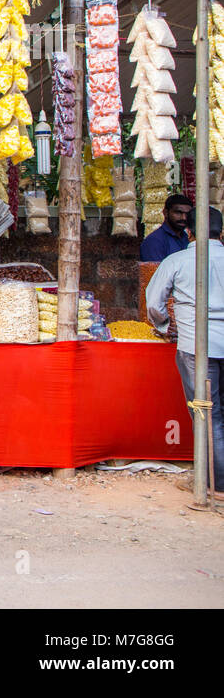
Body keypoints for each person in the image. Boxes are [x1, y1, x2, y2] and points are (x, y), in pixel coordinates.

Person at [146, 206, 224, 496]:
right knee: (220, 413)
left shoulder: (177, 260)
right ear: (221, 231)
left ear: (189, 232)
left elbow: (154, 302)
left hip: (196, 346)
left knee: (207, 414)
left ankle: (213, 484)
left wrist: (165, 326)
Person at [141, 193, 193, 262]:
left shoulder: (186, 238)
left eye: (187, 214)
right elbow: (155, 271)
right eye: (178, 212)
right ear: (165, 213)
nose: (184, 218)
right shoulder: (154, 241)